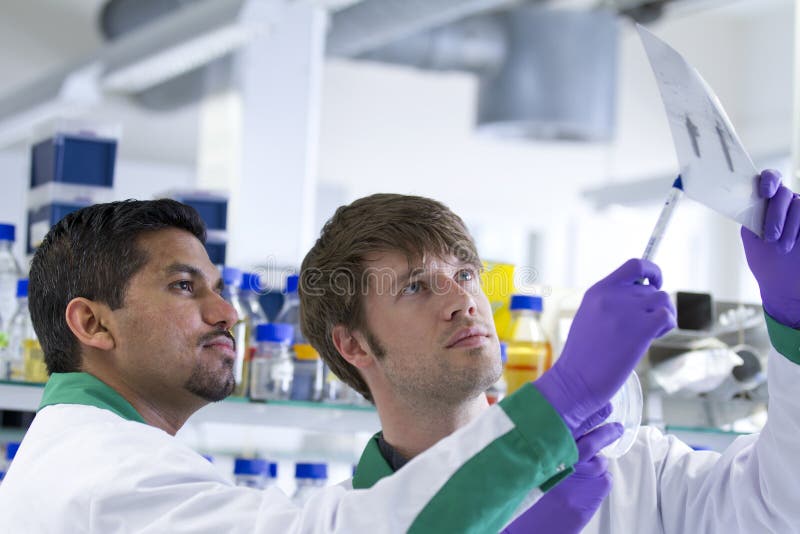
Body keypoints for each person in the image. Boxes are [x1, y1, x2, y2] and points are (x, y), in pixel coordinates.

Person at [0, 198, 665, 532]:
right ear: (92, 324)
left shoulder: (98, 456)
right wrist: (564, 394)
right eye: (183, 287)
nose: (228, 313)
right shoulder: (105, 475)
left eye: (466, 274)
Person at [299, 168, 800, 533]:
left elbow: (777, 511)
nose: (462, 301)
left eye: (465, 274)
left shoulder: (625, 466)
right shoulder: (341, 524)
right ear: (353, 344)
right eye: (415, 287)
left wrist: (794, 323)